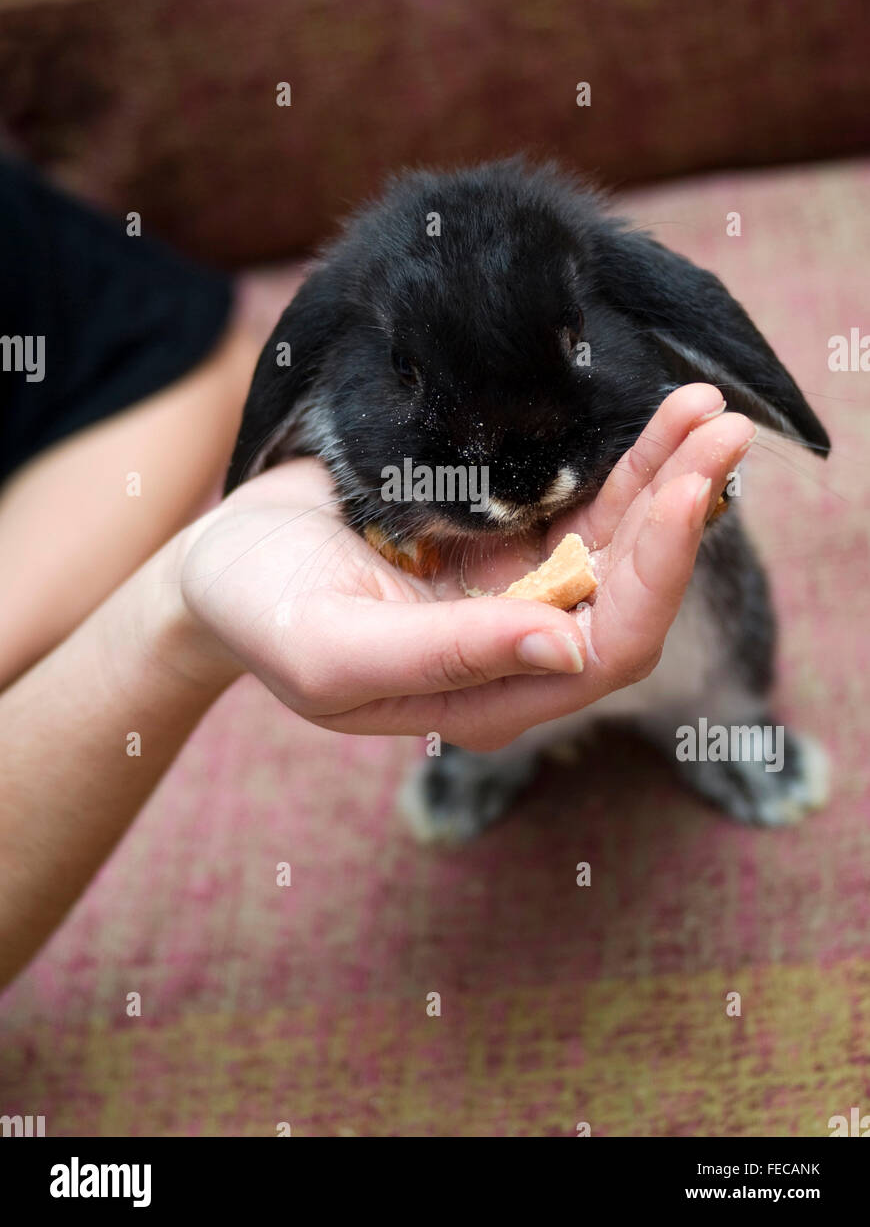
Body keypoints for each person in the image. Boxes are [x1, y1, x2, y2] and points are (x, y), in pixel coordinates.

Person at [0, 157, 754, 989]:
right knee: (489, 676)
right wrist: (208, 580)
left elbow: (165, 343)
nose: (521, 488)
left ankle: (726, 725)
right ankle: (487, 759)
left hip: (655, 588)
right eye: (407, 377)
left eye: (572, 347)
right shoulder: (356, 335)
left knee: (704, 579)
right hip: (471, 617)